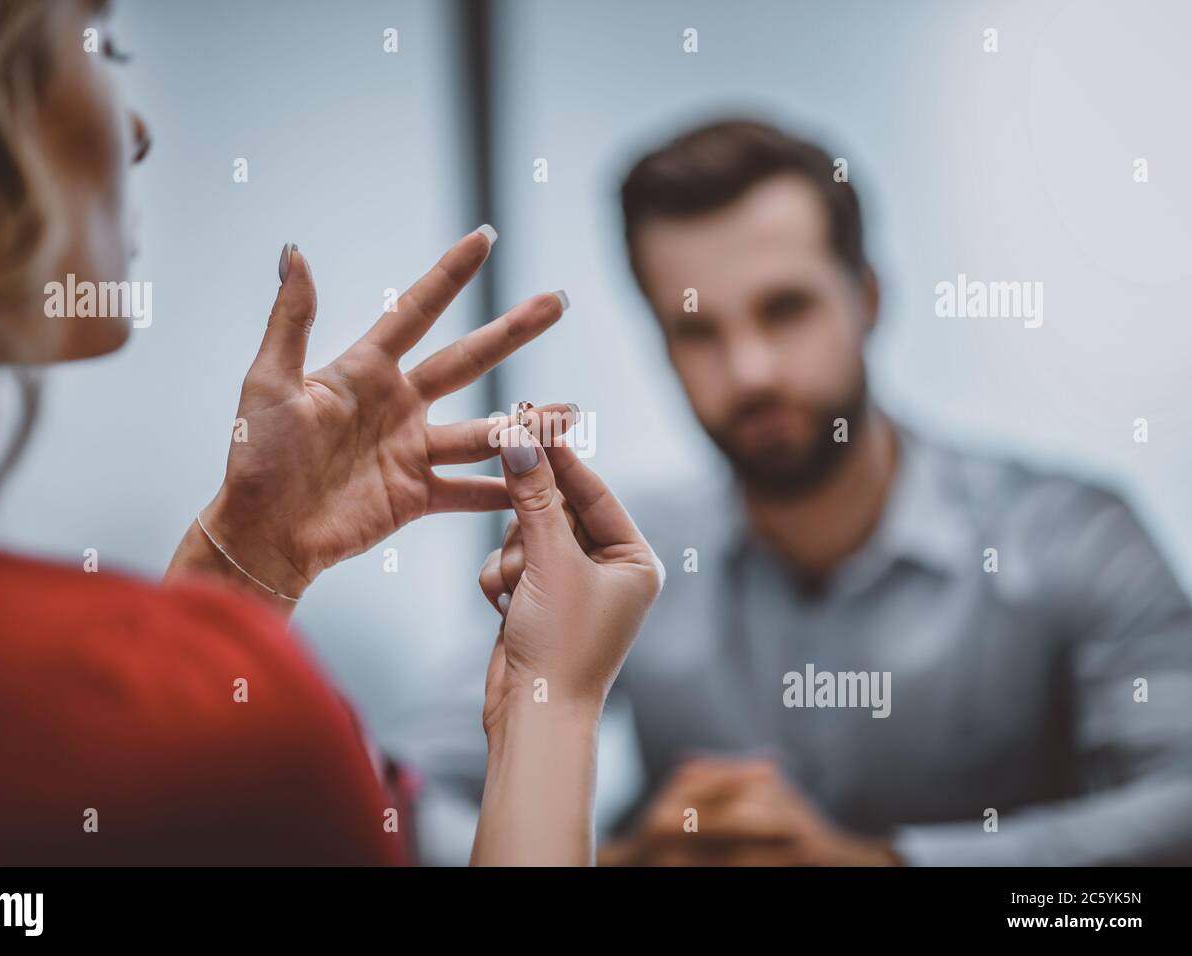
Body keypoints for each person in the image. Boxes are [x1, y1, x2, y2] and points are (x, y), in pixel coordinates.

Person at [0, 0, 662, 866]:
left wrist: (247, 559)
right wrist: (548, 700)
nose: (137, 127)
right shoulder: (202, 723)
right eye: (100, 44)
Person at [411, 118, 1192, 866]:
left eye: (785, 309)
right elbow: (397, 796)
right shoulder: (615, 554)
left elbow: (1176, 817)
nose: (749, 370)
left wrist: (890, 867)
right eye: (696, 330)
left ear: (869, 299)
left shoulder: (1073, 539)